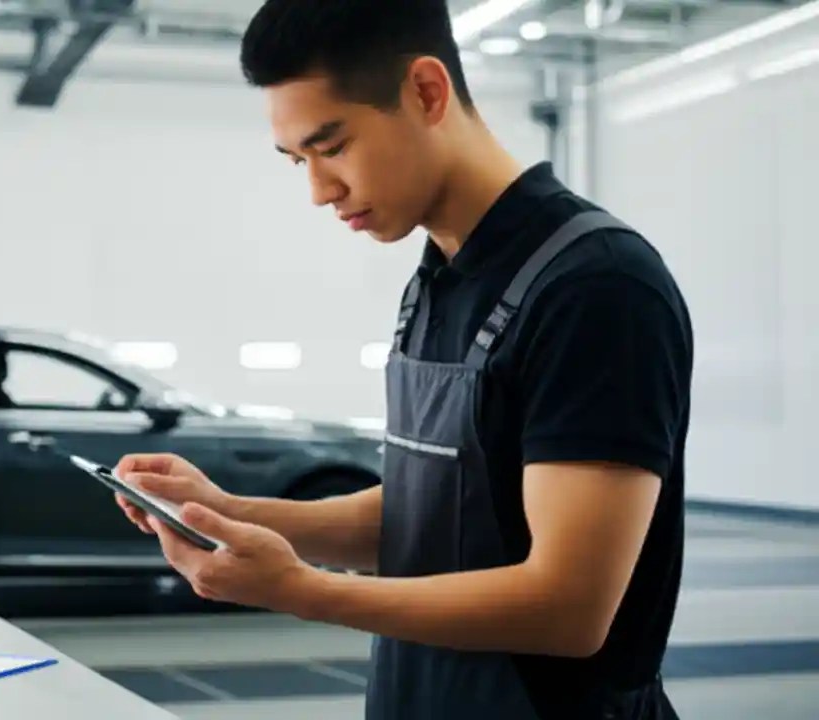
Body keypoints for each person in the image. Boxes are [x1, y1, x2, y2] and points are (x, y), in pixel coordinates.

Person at [112, 1, 692, 719]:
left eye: (333, 146)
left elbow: (568, 608)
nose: (320, 191)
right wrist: (230, 512)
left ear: (426, 91)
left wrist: (302, 590)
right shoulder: (437, 278)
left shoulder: (598, 288)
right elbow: (434, 512)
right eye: (300, 160)